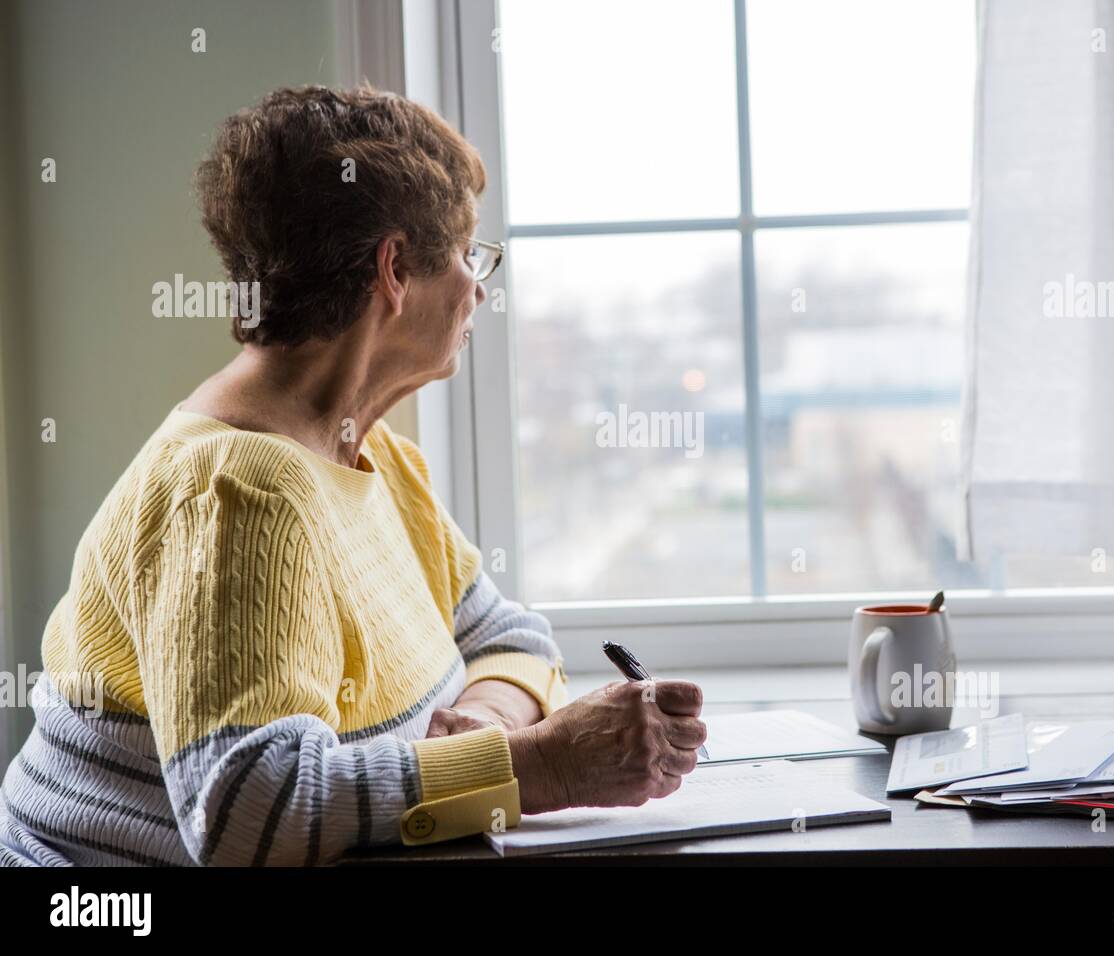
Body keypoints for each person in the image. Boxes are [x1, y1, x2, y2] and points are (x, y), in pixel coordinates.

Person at [0, 85, 707, 866]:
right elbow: (248, 816)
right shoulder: (236, 494)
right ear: (395, 269)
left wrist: (486, 725)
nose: (479, 287)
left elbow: (509, 637)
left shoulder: (374, 455)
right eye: (469, 255)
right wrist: (544, 763)